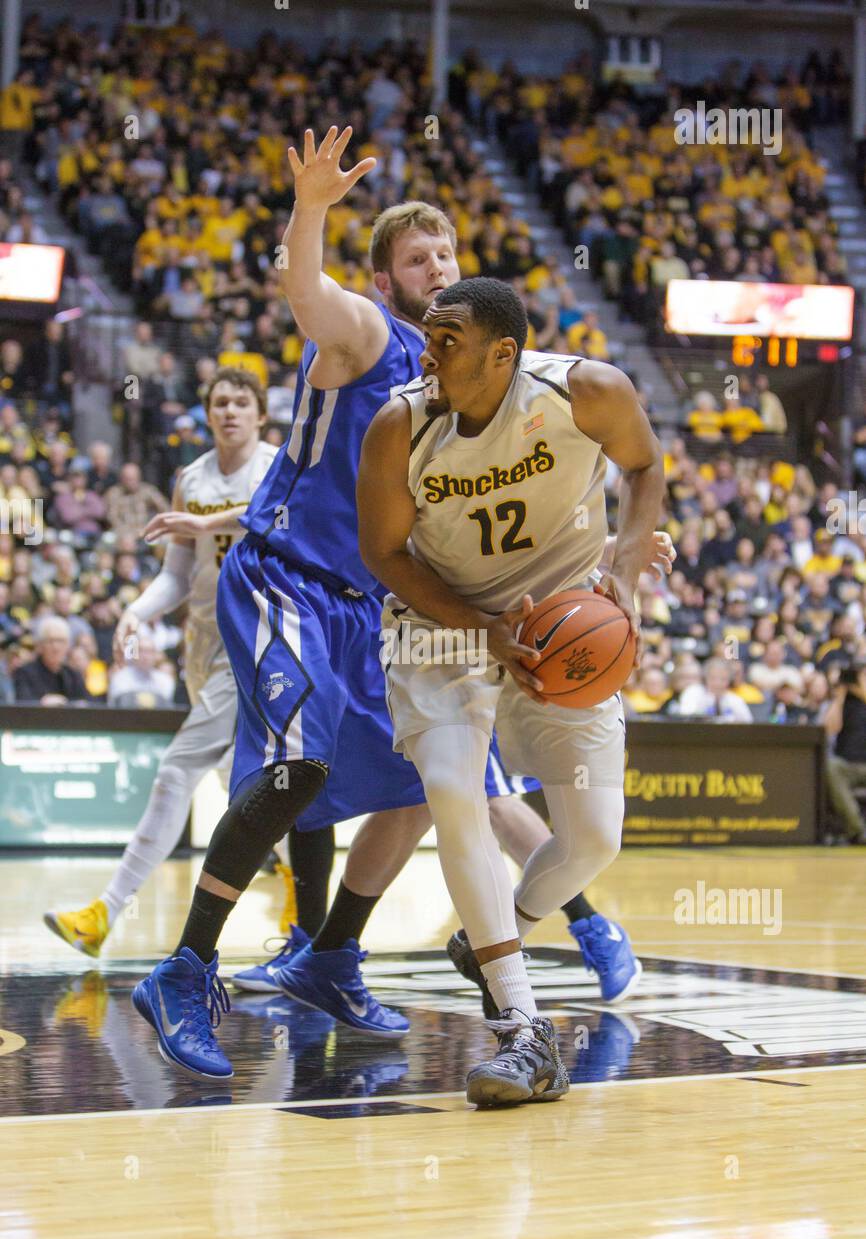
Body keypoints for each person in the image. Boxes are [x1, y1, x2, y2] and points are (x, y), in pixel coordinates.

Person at [131, 129, 652, 1081]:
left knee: (418, 788)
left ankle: (330, 953)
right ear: (384, 279)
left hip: (371, 602)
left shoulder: (465, 369)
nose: (438, 266)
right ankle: (185, 967)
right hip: (292, 580)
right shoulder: (368, 334)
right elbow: (306, 293)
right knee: (300, 772)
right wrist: (312, 208)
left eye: (446, 254)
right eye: (417, 259)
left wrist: (610, 556)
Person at [354, 276, 664, 1107]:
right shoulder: (399, 426)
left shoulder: (587, 391)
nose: (427, 351)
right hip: (442, 627)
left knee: (593, 839)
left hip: (566, 620)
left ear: (504, 353)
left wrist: (627, 566)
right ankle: (523, 1031)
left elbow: (643, 464)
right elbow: (385, 553)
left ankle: (498, 939)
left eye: (447, 339)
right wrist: (483, 627)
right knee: (455, 790)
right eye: (426, 334)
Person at [43, 368, 285, 957]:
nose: (229, 411)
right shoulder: (191, 478)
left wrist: (211, 523)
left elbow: (278, 527)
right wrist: (137, 610)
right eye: (219, 402)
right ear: (208, 415)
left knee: (178, 769)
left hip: (257, 639)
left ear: (258, 413)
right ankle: (293, 885)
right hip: (204, 643)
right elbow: (177, 575)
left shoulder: (278, 465)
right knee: (244, 779)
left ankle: (105, 911)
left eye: (240, 402)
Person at [823, 665, 866, 844]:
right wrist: (840, 697)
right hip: (848, 765)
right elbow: (829, 728)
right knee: (831, 766)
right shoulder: (844, 702)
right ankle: (858, 831)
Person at [13, 614, 90, 705]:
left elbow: (85, 704)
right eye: (50, 641)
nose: (55, 647)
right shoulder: (24, 673)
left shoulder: (74, 676)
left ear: (68, 646)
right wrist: (42, 703)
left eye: (60, 641)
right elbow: (23, 705)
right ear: (40, 645)